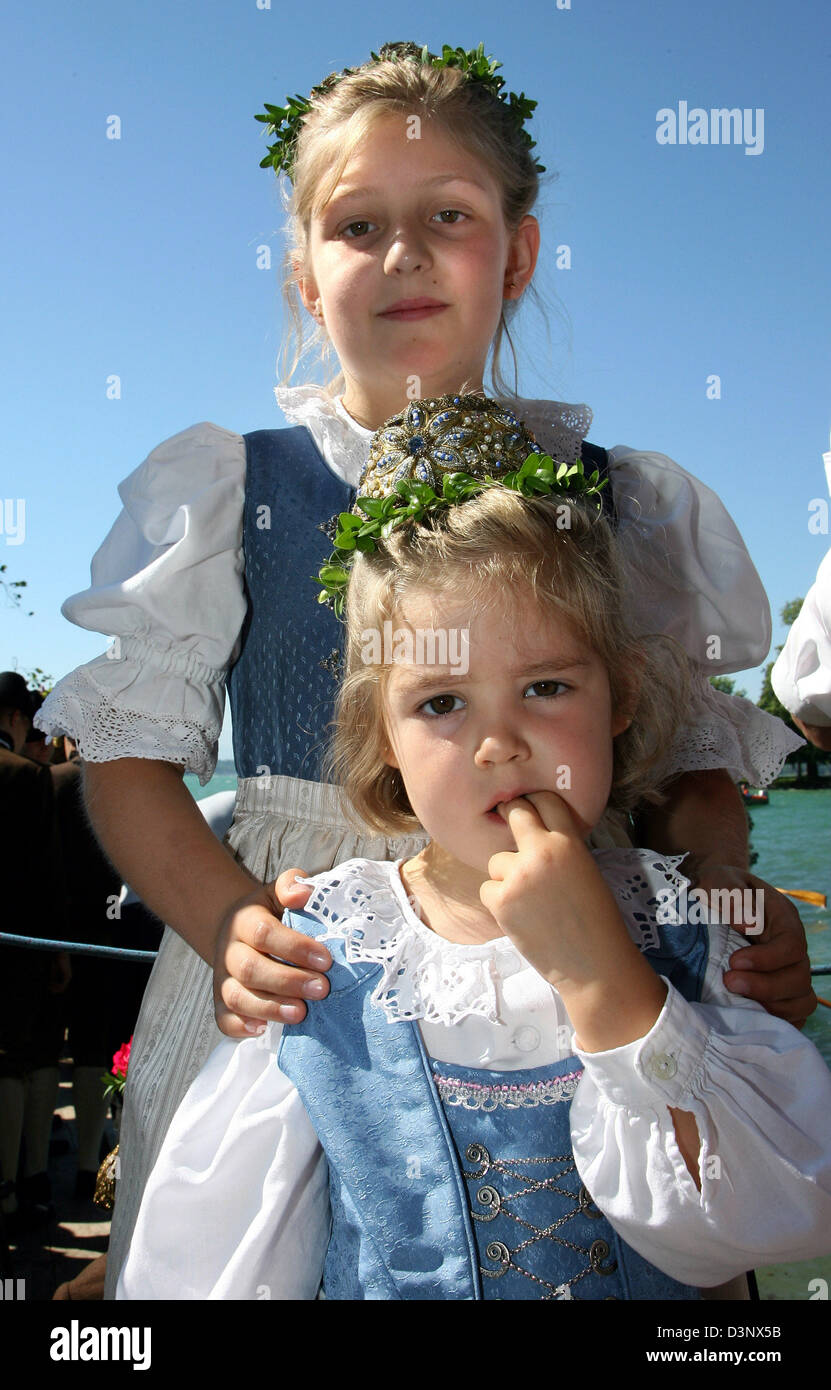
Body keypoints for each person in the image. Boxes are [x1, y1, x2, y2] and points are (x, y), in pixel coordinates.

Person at [34, 42, 810, 1297]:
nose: (401, 254)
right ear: (302, 272)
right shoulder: (237, 488)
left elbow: (684, 769)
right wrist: (231, 923)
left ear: (515, 253)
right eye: (356, 226)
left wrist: (723, 905)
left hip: (576, 949)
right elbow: (130, 759)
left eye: (445, 217)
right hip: (296, 970)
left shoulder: (630, 507)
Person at [117, 397, 831, 1300]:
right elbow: (221, 1258)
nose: (498, 743)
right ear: (381, 735)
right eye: (441, 703)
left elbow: (756, 1220)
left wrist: (606, 983)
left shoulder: (688, 928)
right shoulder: (326, 954)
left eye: (543, 686)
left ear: (621, 697)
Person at [0, 673, 68, 1227]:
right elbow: (47, 876)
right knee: (15, 1058)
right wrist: (58, 951)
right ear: (17, 719)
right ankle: (17, 1182)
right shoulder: (26, 778)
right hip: (19, 945)